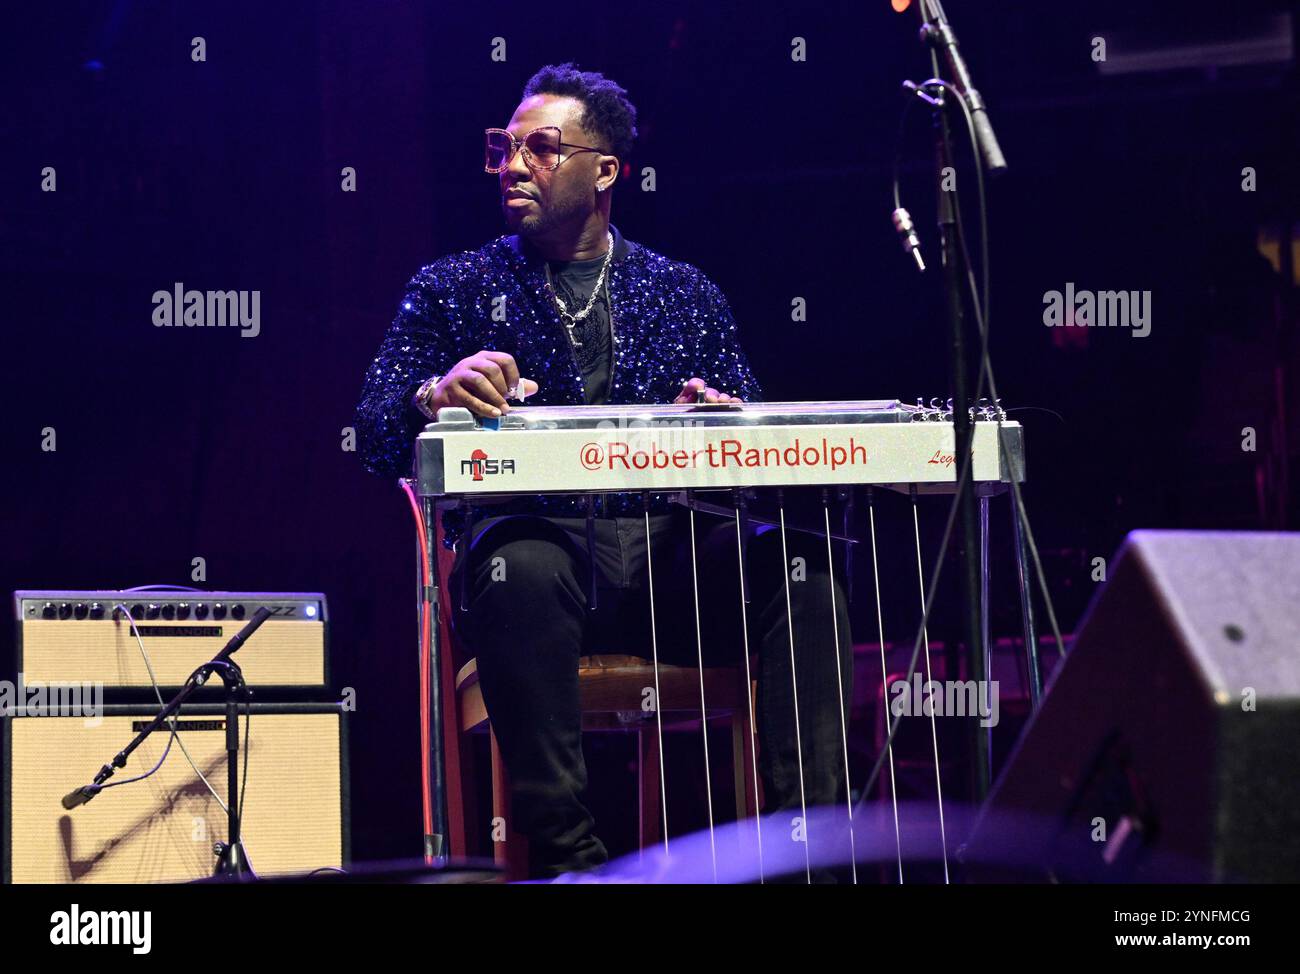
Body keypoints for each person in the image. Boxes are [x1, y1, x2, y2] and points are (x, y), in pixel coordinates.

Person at [356, 63, 851, 878]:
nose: (514, 165)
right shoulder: (452, 289)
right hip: (538, 567)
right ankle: (572, 866)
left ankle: (814, 857)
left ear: (607, 170)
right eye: (504, 148)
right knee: (523, 565)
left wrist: (722, 416)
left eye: (541, 148)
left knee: (803, 568)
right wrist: (431, 393)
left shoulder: (683, 291)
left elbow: (761, 456)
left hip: (671, 567)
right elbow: (373, 433)